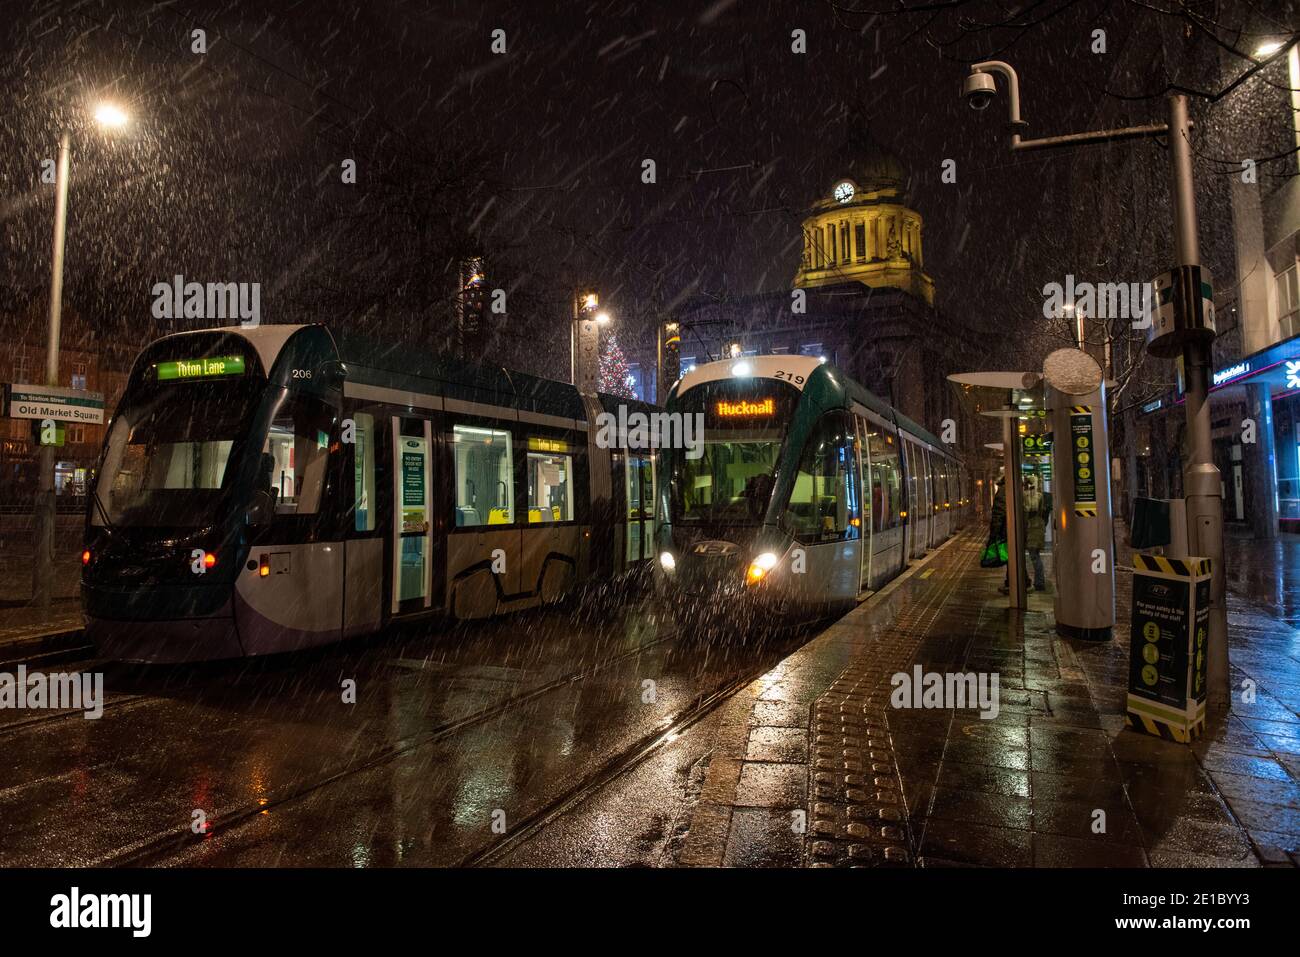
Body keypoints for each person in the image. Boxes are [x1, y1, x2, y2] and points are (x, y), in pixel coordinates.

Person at [1023, 474, 1049, 591]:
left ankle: (1039, 583)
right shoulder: (1039, 496)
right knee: (1034, 556)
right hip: (1036, 529)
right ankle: (1037, 582)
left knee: (1034, 556)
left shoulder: (1033, 497)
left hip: (1033, 529)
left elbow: (1030, 508)